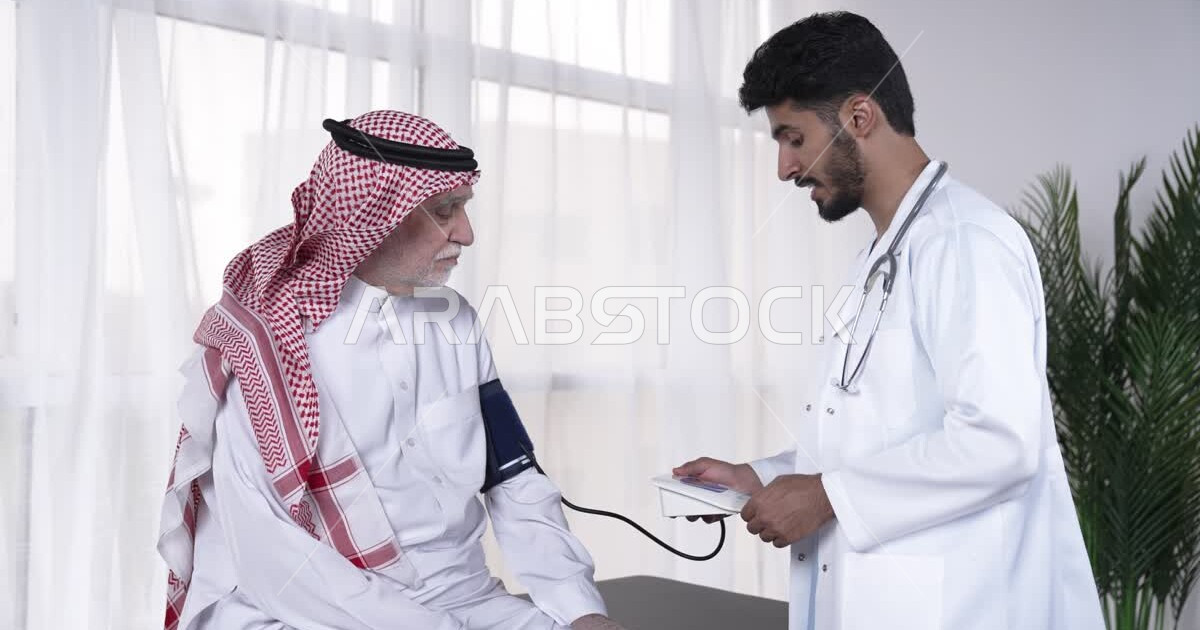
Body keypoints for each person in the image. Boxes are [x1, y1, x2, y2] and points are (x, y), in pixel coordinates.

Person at [674, 12, 1105, 630]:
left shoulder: (967, 241)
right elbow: (873, 437)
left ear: (858, 116)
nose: (785, 169)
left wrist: (825, 496)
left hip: (965, 607)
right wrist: (761, 476)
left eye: (793, 138)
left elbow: (1001, 443)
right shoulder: (880, 257)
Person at [158, 110, 623, 630]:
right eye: (445, 210)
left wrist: (580, 608)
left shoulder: (456, 323)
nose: (466, 233)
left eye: (463, 207)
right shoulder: (268, 346)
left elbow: (514, 481)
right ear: (373, 214)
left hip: (466, 601)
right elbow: (275, 561)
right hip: (305, 613)